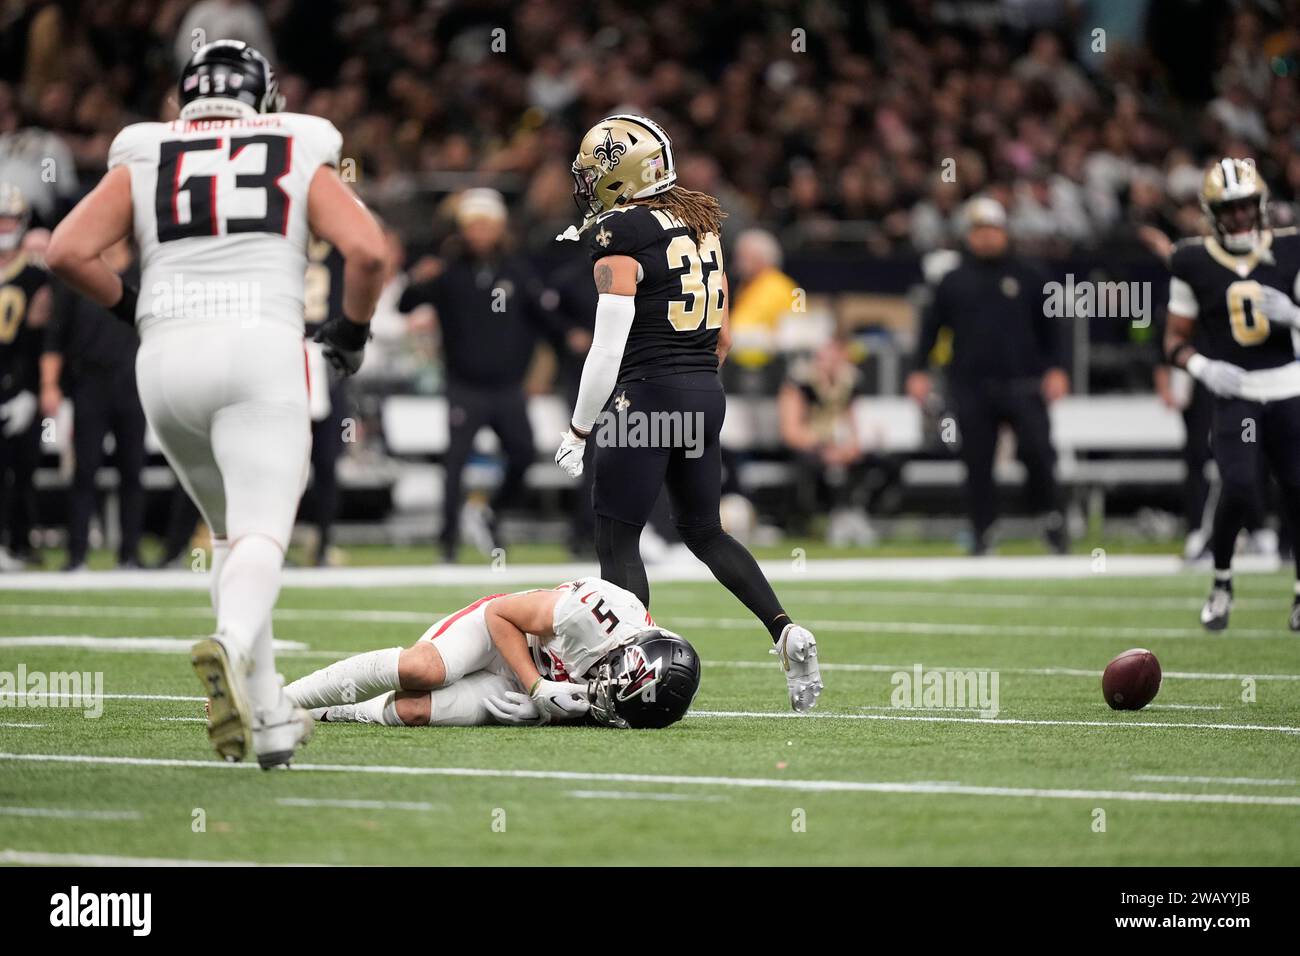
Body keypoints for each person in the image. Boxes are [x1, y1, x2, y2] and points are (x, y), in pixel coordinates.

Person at [45, 40, 387, 767]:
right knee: (262, 532)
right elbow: (369, 251)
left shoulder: (148, 149)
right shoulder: (298, 141)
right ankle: (230, 646)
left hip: (164, 361)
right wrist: (351, 334)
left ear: (185, 98)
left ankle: (268, 721)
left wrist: (137, 307)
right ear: (264, 100)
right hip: (260, 348)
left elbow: (67, 251)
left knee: (232, 539)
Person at [552, 114, 822, 713]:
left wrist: (578, 426)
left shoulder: (621, 231)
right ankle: (785, 629)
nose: (588, 184)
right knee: (704, 530)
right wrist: (692, 382)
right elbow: (721, 332)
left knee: (618, 541)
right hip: (704, 390)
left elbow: (607, 344)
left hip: (644, 395)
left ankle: (630, 673)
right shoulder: (699, 220)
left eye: (596, 172)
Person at [1163, 158, 1300, 630]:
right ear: (1212, 212)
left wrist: (1295, 314)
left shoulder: (1292, 248)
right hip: (1236, 390)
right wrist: (1203, 367)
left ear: (1259, 206)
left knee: (1298, 487)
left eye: (1246, 207)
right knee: (1239, 486)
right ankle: (1222, 582)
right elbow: (1174, 340)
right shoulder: (1191, 260)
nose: (1240, 218)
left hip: (1288, 385)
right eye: (1230, 209)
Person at [284, 577, 700, 730]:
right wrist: (538, 687)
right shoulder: (594, 613)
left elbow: (601, 703)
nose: (605, 696)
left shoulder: (641, 686)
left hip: (527, 682)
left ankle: (330, 712)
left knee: (414, 712)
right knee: (422, 669)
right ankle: (284, 699)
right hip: (501, 635)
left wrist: (545, 713)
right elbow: (500, 614)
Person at [398, 188, 563, 562]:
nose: (481, 233)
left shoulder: (519, 272)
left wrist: (565, 347)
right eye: (474, 225)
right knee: (455, 462)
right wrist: (418, 279)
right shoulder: (448, 272)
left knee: (522, 453)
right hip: (464, 384)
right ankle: (448, 544)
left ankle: (490, 512)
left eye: (487, 225)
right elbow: (405, 303)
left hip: (508, 387)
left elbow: (549, 322)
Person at [906, 196, 1070, 556]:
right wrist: (919, 370)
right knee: (977, 461)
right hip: (971, 386)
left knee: (1038, 453)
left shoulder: (1030, 275)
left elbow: (1053, 329)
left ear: (1004, 231)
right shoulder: (953, 280)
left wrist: (1057, 368)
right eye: (978, 230)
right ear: (969, 235)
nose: (985, 238)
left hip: (1023, 384)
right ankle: (982, 531)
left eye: (991, 229)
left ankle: (1053, 522)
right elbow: (930, 330)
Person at [41, 239, 146, 571]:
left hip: (135, 383)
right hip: (90, 384)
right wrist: (49, 385)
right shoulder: (80, 272)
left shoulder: (146, 270)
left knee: (133, 471)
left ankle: (130, 554)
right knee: (84, 471)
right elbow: (55, 335)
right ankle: (77, 554)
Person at [0, 183, 50, 570]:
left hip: (19, 382)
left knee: (23, 469)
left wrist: (30, 390)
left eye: (10, 219)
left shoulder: (35, 275)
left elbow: (40, 337)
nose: (5, 226)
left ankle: (19, 543)